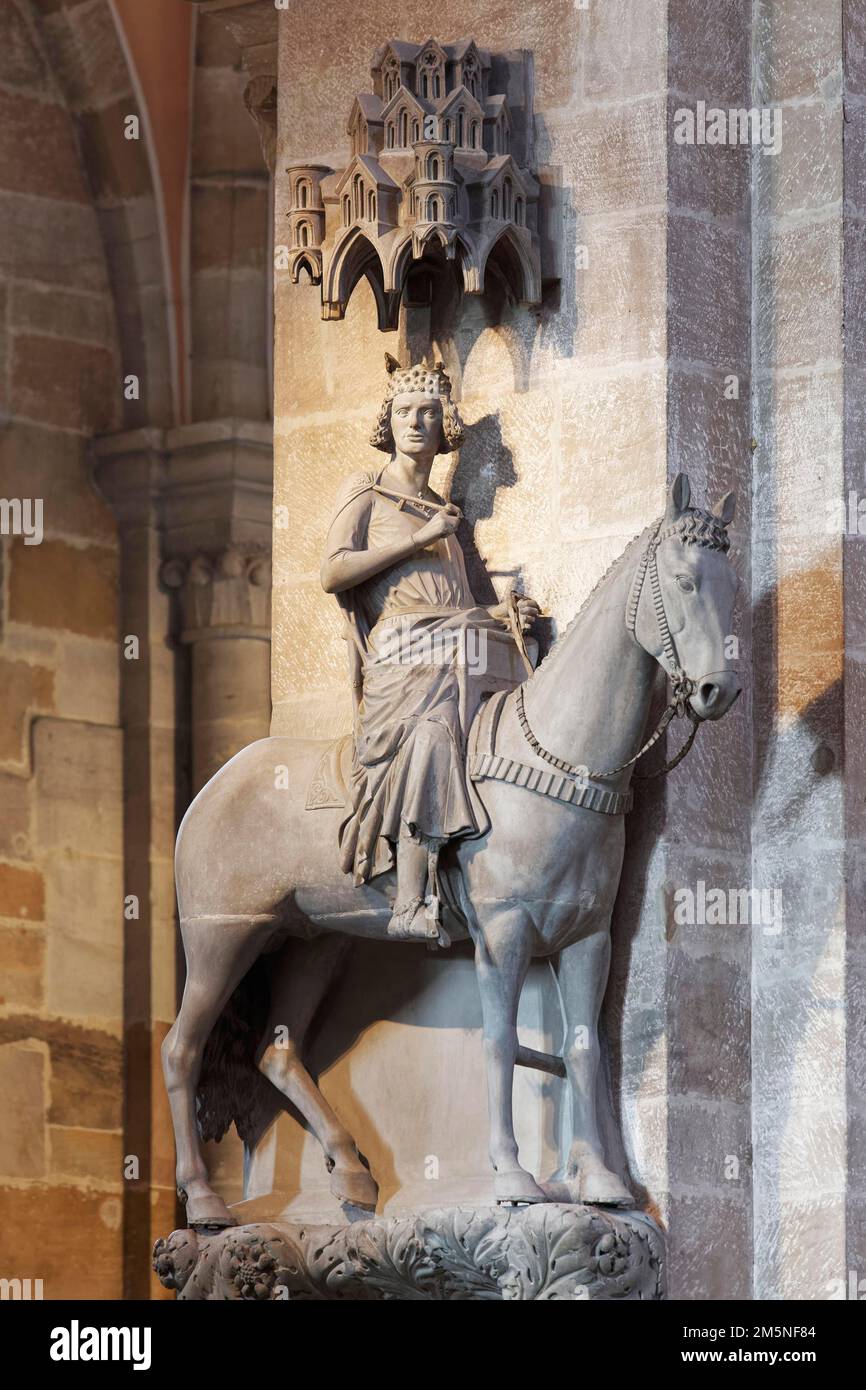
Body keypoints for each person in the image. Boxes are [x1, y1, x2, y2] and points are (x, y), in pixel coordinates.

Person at [320, 357, 539, 943]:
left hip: (452, 639)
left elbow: (460, 604)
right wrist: (418, 539)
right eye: (402, 412)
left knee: (518, 673)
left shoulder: (447, 520)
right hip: (401, 649)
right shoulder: (367, 493)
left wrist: (505, 612)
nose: (414, 422)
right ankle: (412, 895)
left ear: (445, 429)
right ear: (386, 423)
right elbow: (333, 571)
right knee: (436, 724)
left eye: (427, 412)